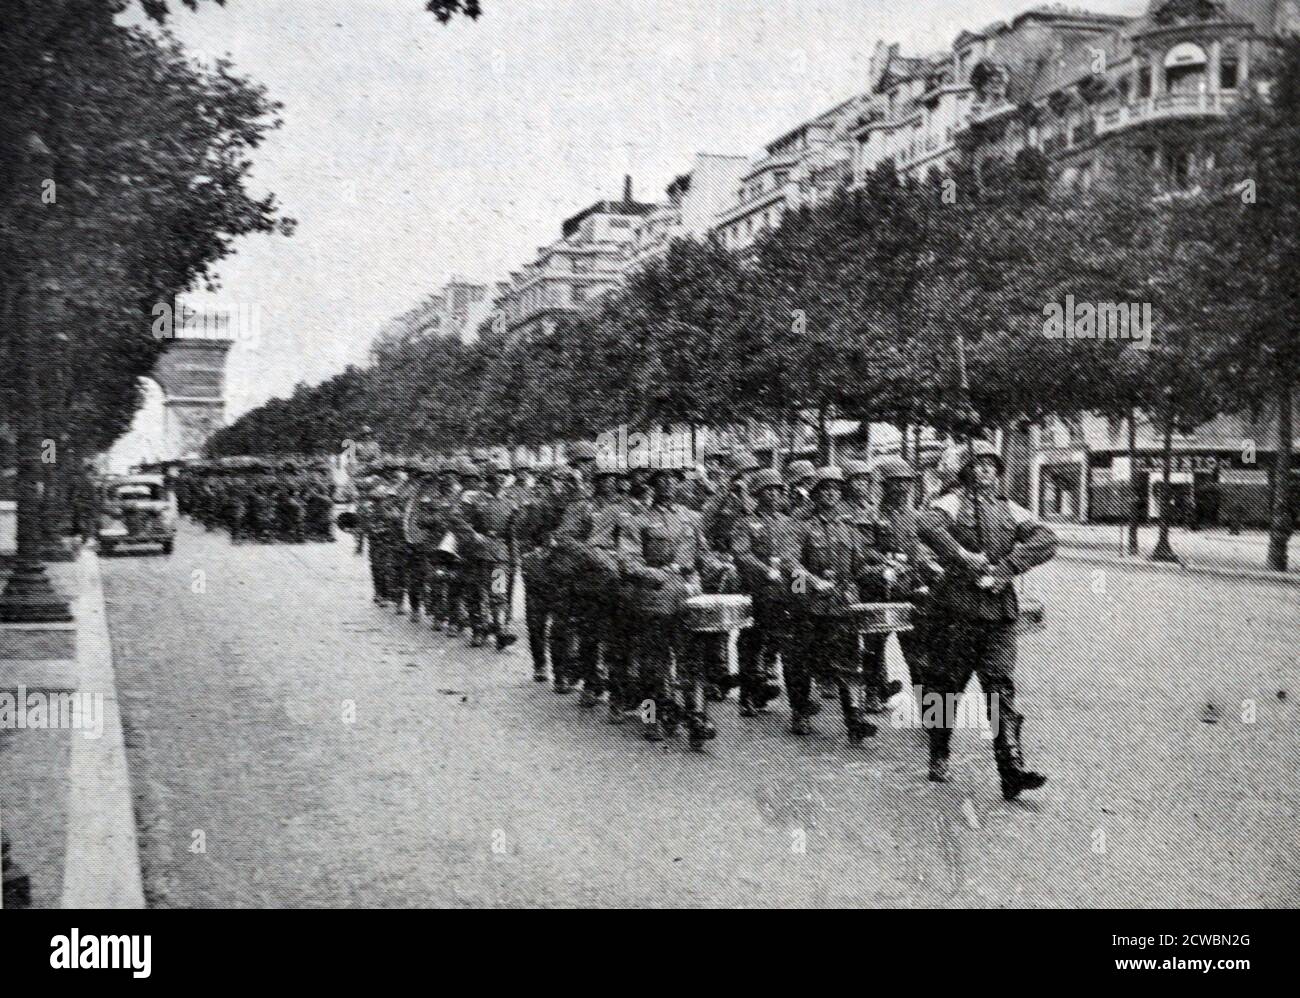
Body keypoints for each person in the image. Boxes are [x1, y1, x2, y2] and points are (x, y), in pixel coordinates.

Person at [915, 441, 1057, 799]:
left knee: (1000, 688)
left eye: (991, 465)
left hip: (999, 613)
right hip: (957, 611)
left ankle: (1011, 768)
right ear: (965, 470)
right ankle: (939, 753)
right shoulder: (952, 502)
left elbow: (1047, 539)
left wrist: (1008, 566)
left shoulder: (1011, 508)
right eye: (978, 465)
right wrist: (963, 556)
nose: (985, 471)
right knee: (946, 686)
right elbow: (927, 525)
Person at [621, 466, 721, 750]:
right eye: (661, 480)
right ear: (652, 485)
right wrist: (662, 574)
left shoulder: (693, 518)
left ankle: (698, 720)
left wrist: (720, 567)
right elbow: (628, 562)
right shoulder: (637, 520)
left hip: (689, 599)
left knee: (693, 661)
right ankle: (652, 717)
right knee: (654, 663)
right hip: (654, 598)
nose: (668, 484)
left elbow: (704, 555)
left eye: (673, 479)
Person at [788, 466, 875, 743]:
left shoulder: (848, 529)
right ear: (814, 494)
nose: (831, 494)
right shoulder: (801, 526)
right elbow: (790, 564)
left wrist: (884, 569)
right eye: (825, 489)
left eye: (836, 489)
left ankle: (855, 719)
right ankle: (800, 710)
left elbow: (861, 565)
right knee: (802, 660)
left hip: (842, 604)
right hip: (810, 606)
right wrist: (811, 581)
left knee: (849, 661)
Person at [731, 468, 802, 719]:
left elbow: (795, 556)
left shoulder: (789, 522)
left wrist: (800, 585)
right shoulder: (747, 522)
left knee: (790, 644)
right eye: (768, 490)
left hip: (787, 591)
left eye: (777, 490)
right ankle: (748, 695)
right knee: (752, 642)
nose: (773, 495)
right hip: (758, 590)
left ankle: (798, 703)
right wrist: (764, 570)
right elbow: (741, 554)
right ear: (758, 494)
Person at [463, 458, 519, 650]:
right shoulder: (473, 499)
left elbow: (512, 533)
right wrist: (473, 534)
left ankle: (500, 629)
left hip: (500, 554)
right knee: (474, 592)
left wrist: (514, 558)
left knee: (498, 592)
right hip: (475, 553)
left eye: (504, 475)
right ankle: (478, 630)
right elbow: (457, 520)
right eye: (497, 475)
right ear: (488, 478)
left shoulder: (510, 503)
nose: (501, 479)